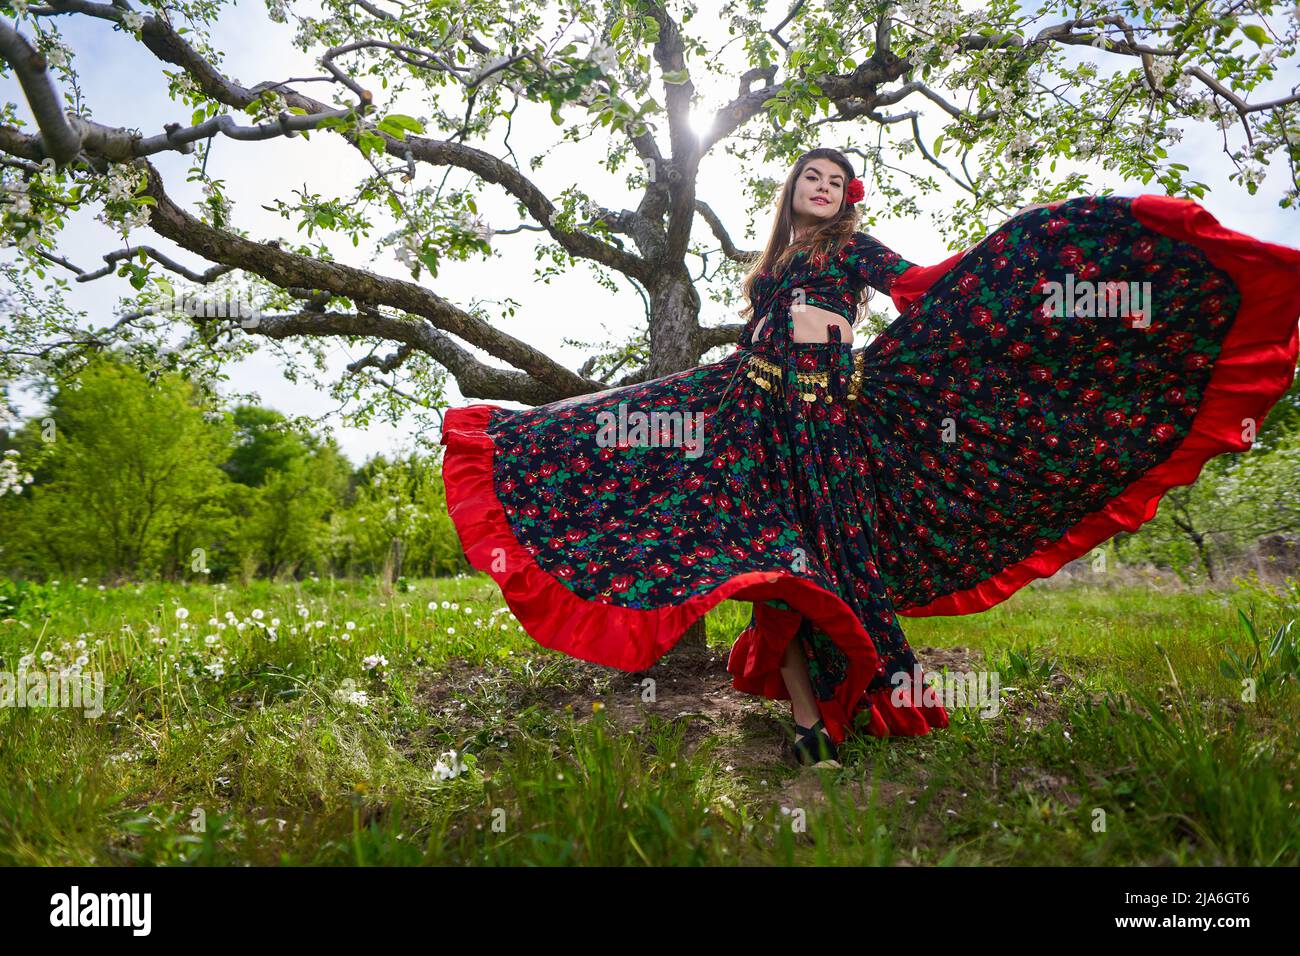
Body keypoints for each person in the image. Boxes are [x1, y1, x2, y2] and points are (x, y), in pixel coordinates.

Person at [440, 147, 1300, 768]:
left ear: (847, 198)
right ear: (792, 192)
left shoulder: (853, 249)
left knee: (828, 558)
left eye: (834, 180)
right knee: (714, 522)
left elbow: (924, 287)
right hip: (749, 406)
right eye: (810, 177)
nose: (822, 187)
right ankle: (811, 727)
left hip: (829, 417)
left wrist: (1015, 258)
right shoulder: (772, 263)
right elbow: (763, 332)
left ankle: (846, 710)